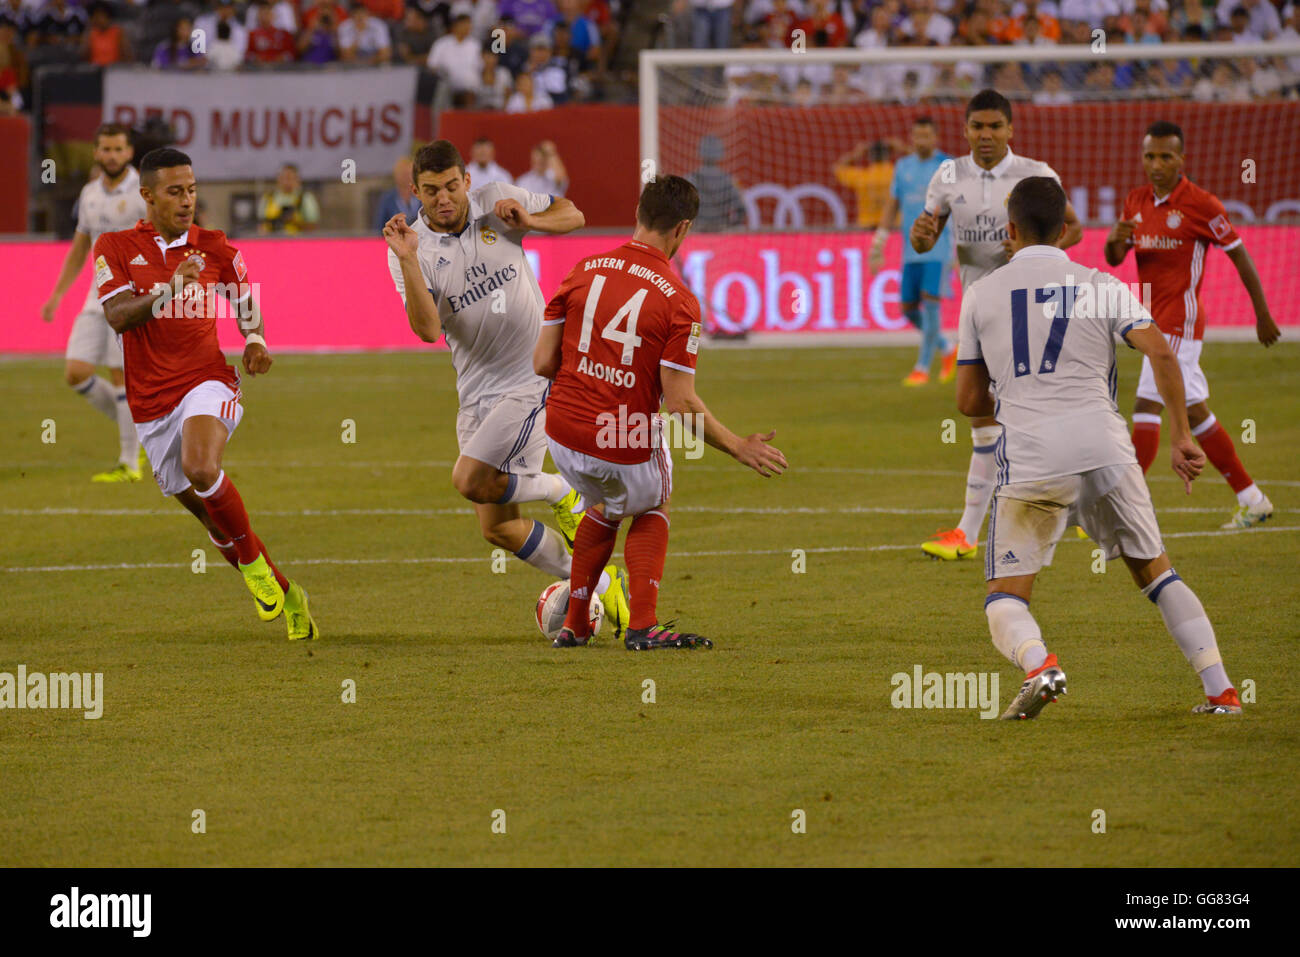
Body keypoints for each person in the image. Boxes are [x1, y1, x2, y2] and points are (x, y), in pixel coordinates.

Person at [955, 175, 1241, 718]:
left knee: (1005, 597)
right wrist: (1181, 434)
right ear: (1066, 230)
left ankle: (1040, 666)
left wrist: (1021, 400)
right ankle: (1221, 691)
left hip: (1034, 455)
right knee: (1157, 573)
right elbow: (1161, 352)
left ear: (1009, 230)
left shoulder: (981, 293)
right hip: (1106, 448)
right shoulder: (1102, 285)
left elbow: (969, 400)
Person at [382, 140, 630, 633]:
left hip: (533, 375)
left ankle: (562, 492)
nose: (445, 198)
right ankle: (602, 585)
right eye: (431, 191)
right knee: (498, 527)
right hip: (476, 391)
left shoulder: (495, 198)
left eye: (452, 186)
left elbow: (573, 214)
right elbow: (429, 330)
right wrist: (409, 259)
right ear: (416, 192)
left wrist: (530, 221)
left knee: (468, 480)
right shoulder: (409, 248)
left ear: (466, 181)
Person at [534, 175, 788, 650]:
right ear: (683, 229)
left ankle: (576, 625)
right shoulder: (679, 301)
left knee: (605, 505)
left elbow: (542, 363)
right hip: (618, 439)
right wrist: (738, 445)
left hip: (562, 432)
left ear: (638, 213)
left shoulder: (582, 269)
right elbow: (681, 403)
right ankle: (643, 626)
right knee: (652, 503)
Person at [93, 147, 317, 641]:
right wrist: (169, 290)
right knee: (211, 519)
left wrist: (255, 339)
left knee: (201, 467)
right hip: (151, 404)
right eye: (175, 192)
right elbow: (117, 317)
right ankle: (286, 590)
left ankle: (256, 571)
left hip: (205, 382)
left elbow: (244, 302)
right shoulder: (113, 246)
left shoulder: (214, 246)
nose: (187, 200)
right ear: (147, 195)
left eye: (192, 190)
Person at [910, 88, 1083, 561]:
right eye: (977, 127)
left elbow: (1074, 228)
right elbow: (927, 238)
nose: (985, 135)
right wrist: (919, 236)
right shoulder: (947, 176)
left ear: (1010, 129)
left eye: (994, 126)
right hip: (977, 309)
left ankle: (971, 529)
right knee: (980, 412)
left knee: (1024, 413)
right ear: (965, 130)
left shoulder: (1036, 175)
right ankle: (1083, 505)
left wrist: (1032, 253)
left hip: (1028, 308)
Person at [1105, 120, 1280, 529]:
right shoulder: (1135, 201)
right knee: (1196, 412)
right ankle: (1252, 497)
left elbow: (1239, 255)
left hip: (1180, 324)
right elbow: (1115, 257)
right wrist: (1115, 238)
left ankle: (1123, 505)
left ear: (1181, 159)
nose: (1157, 164)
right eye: (1150, 156)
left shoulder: (1202, 204)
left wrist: (1263, 313)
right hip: (1151, 321)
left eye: (1166, 156)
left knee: (1147, 404)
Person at [41, 123, 146, 482]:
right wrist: (57, 294)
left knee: (120, 375)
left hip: (132, 294)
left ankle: (129, 462)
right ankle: (142, 427)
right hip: (95, 292)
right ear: (97, 152)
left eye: (118, 149)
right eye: (105, 149)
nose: (111, 155)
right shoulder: (88, 193)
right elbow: (80, 247)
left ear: (129, 152)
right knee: (76, 372)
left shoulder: (145, 192)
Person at [870, 116, 956, 387]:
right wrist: (878, 244)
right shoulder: (903, 166)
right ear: (912, 138)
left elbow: (961, 205)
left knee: (931, 303)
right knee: (907, 308)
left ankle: (922, 367)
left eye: (926, 136)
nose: (921, 141)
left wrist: (959, 247)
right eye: (917, 136)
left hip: (938, 248)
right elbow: (892, 206)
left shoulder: (948, 166)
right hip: (910, 251)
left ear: (936, 137)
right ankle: (947, 347)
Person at [687, 133, 745, 231]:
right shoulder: (728, 180)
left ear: (700, 153)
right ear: (720, 153)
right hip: (721, 231)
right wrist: (730, 225)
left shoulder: (690, 179)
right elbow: (741, 209)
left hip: (698, 232)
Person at [833, 140, 894, 229]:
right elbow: (920, 166)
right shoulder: (897, 174)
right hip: (892, 227)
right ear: (888, 155)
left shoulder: (862, 177)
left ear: (870, 157)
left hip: (866, 227)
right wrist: (902, 148)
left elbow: (837, 168)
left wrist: (856, 154)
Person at [258, 163, 320, 233]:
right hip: (272, 241)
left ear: (297, 180)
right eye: (283, 178)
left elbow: (313, 227)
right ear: (278, 179)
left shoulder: (306, 198)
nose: (286, 182)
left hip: (298, 241)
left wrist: (294, 222)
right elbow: (260, 224)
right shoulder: (267, 198)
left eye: (290, 178)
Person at [371, 155, 421, 232]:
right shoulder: (387, 199)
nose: (406, 177)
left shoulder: (421, 195)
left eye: (409, 174)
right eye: (403, 174)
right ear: (396, 176)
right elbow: (379, 226)